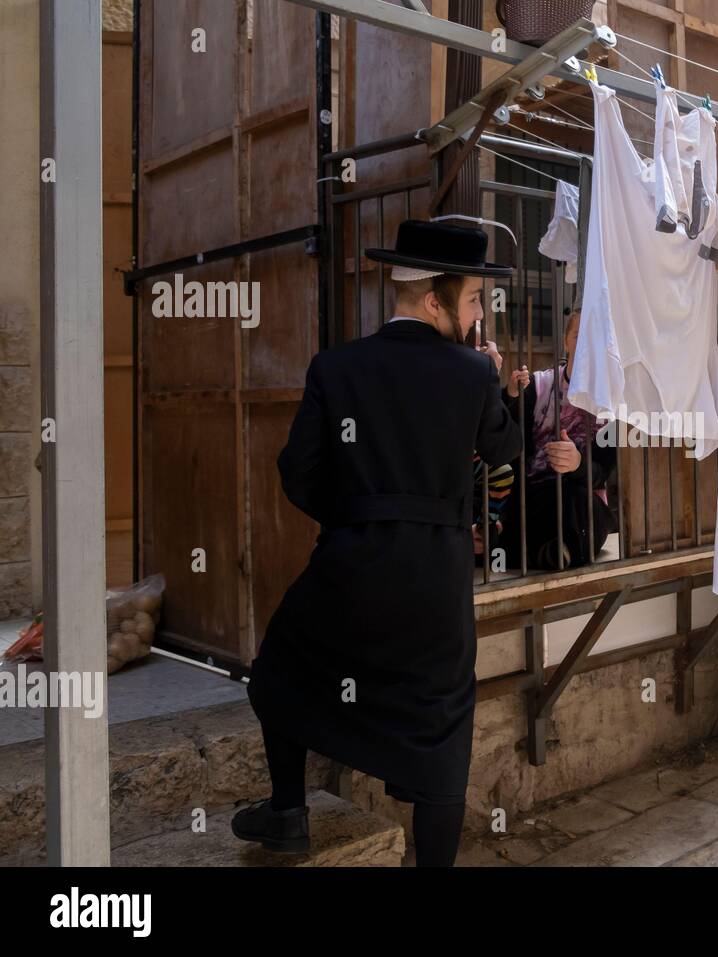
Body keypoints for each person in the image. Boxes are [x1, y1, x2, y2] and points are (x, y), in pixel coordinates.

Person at [235, 218, 521, 866]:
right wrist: (494, 385)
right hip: (438, 585)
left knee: (279, 668)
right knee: (442, 731)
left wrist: (357, 521)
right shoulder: (473, 375)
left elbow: (296, 472)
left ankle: (287, 811)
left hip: (350, 572)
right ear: (433, 300)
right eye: (474, 298)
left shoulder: (335, 368)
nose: (478, 314)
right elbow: (505, 454)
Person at [500, 307, 616, 570]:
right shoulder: (539, 385)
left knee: (576, 504)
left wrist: (577, 463)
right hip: (536, 494)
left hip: (580, 502)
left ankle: (547, 553)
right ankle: (551, 553)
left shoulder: (611, 402)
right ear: (565, 341)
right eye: (578, 335)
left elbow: (603, 472)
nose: (585, 343)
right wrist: (510, 395)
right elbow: (507, 438)